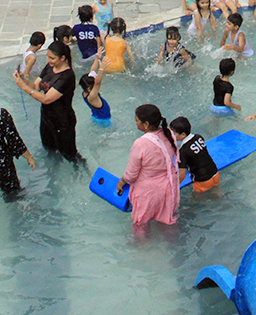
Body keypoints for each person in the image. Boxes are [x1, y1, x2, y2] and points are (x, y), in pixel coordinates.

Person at [12, 41, 82, 162]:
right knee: (49, 149)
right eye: (48, 56)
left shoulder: (67, 76)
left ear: (63, 58)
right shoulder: (50, 67)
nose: (48, 60)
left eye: (52, 58)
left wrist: (23, 87)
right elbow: (36, 87)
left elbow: (46, 99)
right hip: (47, 118)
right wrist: (23, 80)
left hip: (63, 122)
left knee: (69, 155)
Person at [116, 104, 180, 232]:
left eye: (136, 120)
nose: (136, 123)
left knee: (141, 226)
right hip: (169, 187)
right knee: (166, 223)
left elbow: (131, 175)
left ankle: (142, 251)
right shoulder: (169, 133)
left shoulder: (141, 144)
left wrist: (122, 182)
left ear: (145, 124)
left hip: (148, 193)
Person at [172, 117, 220, 192]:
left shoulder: (182, 151)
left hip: (203, 181)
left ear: (183, 134)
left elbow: (182, 174)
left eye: (173, 133)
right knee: (216, 193)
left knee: (196, 199)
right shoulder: (199, 137)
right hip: (215, 173)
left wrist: (173, 187)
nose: (172, 135)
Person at [80, 50, 111, 122]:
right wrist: (102, 69)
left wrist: (97, 58)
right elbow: (97, 83)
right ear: (89, 88)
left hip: (95, 116)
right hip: (104, 121)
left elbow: (93, 70)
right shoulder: (92, 96)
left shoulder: (85, 92)